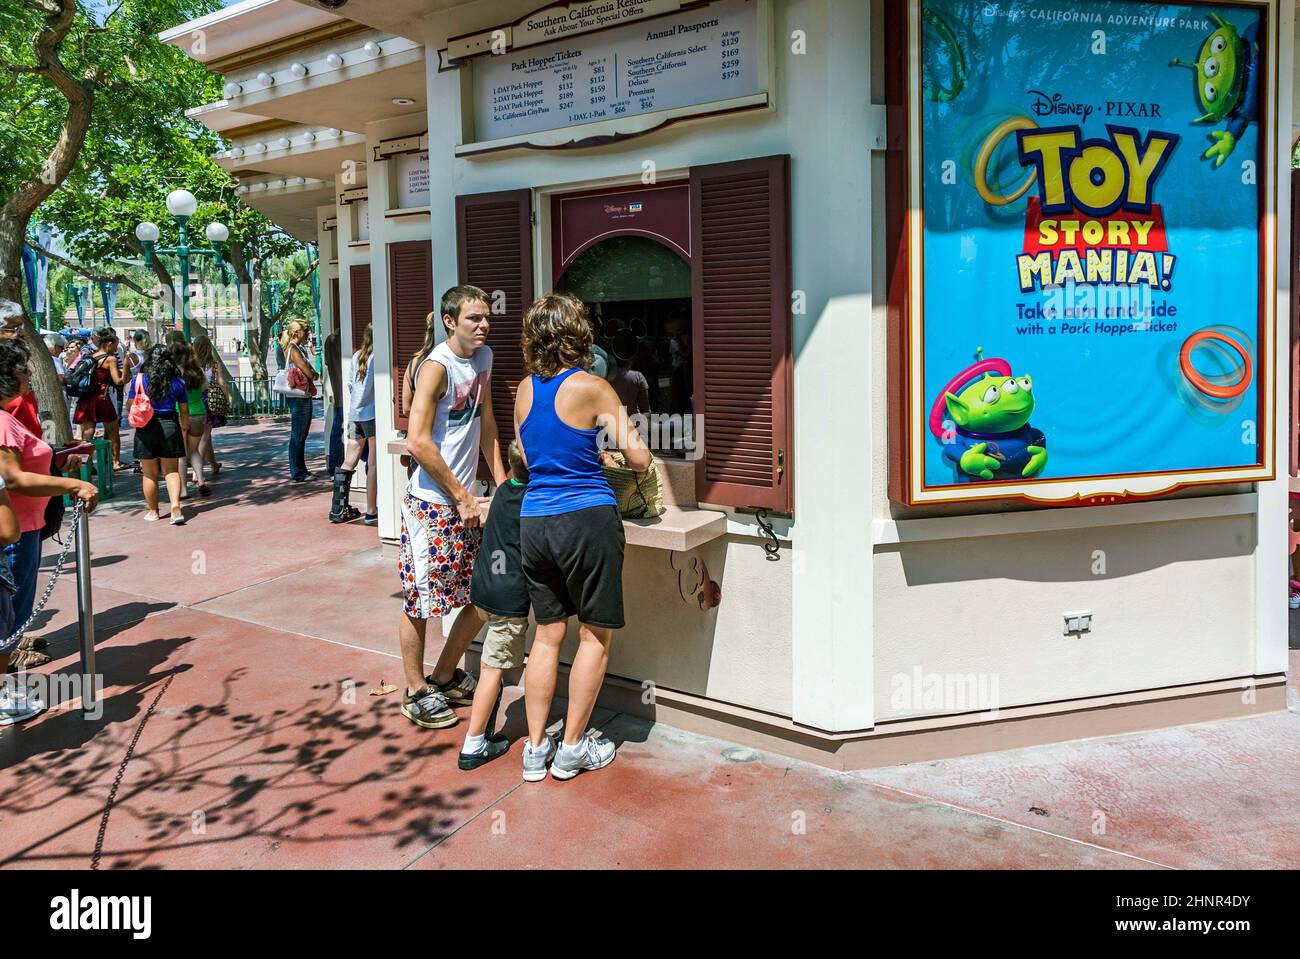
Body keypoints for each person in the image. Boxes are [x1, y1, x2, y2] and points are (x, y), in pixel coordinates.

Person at [515, 292, 650, 781]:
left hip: (535, 521)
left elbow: (526, 457)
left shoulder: (524, 389)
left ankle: (535, 751)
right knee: (594, 634)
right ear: (578, 335)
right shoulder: (594, 387)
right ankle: (572, 749)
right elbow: (639, 459)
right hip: (585, 519)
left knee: (547, 635)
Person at [398, 286, 506, 730]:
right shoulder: (436, 368)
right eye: (473, 318)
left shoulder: (484, 358)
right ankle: (414, 690)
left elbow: (486, 420)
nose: (483, 325)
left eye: (486, 317)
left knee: (483, 594)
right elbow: (417, 442)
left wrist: (504, 485)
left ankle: (443, 676)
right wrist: (461, 496)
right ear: (449, 321)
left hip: (470, 502)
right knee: (422, 601)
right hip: (431, 505)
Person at [0, 339, 98, 679]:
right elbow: (13, 478)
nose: (29, 375)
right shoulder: (3, 421)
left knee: (12, 614)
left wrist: (55, 462)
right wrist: (74, 486)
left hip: (26, 525)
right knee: (7, 618)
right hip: (15, 530)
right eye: (23, 369)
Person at [458, 440, 530, 771]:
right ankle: (473, 745)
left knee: (493, 666)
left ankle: (484, 731)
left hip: (484, 588)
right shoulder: (533, 501)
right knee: (491, 669)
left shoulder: (504, 491)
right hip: (507, 599)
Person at [126, 344, 190, 525]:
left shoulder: (139, 379)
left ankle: (153, 511)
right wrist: (184, 428)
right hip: (170, 425)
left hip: (146, 427)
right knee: (171, 471)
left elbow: (129, 405)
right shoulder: (178, 381)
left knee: (149, 473)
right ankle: (175, 507)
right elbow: (184, 410)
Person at [330, 324, 377, 525]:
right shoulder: (378, 357)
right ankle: (371, 511)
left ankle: (337, 508)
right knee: (373, 463)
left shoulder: (357, 356)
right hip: (372, 414)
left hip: (354, 414)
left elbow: (350, 384)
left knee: (348, 461)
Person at [72, 327, 126, 471]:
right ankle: (116, 462)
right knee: (113, 429)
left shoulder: (91, 356)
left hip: (87, 397)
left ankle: (86, 465)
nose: (116, 348)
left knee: (88, 431)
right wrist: (126, 370)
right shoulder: (110, 359)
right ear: (109, 344)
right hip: (102, 397)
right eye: (115, 345)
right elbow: (118, 381)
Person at [165, 332, 209, 498]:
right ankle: (201, 481)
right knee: (194, 450)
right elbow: (205, 388)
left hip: (180, 414)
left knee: (182, 455)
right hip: (198, 413)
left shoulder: (174, 374)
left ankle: (183, 490)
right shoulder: (197, 371)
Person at [281, 320, 319, 481]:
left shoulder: (295, 348)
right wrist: (314, 374)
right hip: (299, 397)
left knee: (300, 434)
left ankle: (301, 469)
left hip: (300, 396)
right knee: (298, 434)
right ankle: (298, 471)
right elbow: (307, 370)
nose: (308, 333)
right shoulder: (294, 349)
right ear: (297, 332)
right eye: (306, 330)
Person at [191, 333, 228, 477]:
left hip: (194, 400)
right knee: (204, 437)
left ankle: (213, 464)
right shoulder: (214, 365)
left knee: (206, 436)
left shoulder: (191, 364)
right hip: (208, 400)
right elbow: (221, 383)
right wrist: (226, 399)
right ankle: (197, 472)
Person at [323, 331, 344, 477]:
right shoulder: (340, 340)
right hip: (343, 392)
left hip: (337, 390)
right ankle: (336, 465)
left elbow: (327, 364)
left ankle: (334, 465)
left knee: (337, 429)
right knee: (339, 429)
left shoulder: (330, 340)